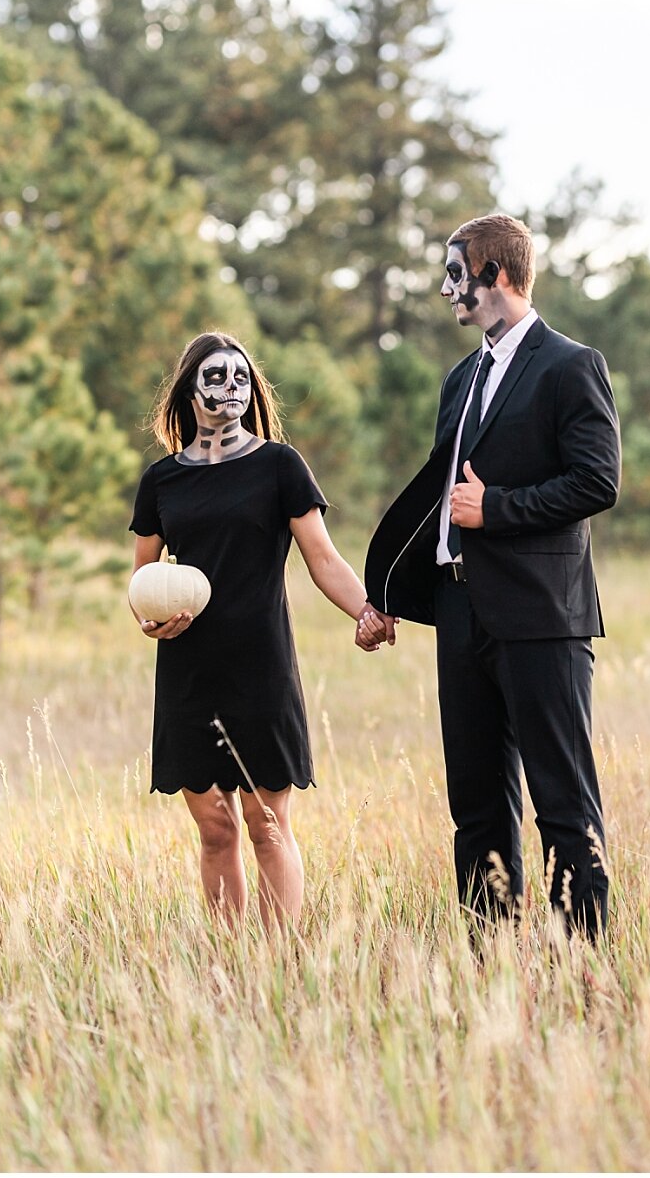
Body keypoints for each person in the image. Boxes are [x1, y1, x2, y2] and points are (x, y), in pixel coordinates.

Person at [358, 215, 621, 938]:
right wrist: (388, 596)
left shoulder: (571, 364)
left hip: (543, 615)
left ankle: (581, 960)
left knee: (562, 801)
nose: (447, 291)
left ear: (497, 276)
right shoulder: (459, 378)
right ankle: (489, 960)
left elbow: (598, 482)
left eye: (455, 275)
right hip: (460, 611)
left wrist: (495, 508)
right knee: (475, 803)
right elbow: (438, 492)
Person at [129, 331, 387, 931]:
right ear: (190, 389)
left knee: (266, 823)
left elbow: (322, 557)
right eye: (217, 377)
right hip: (189, 666)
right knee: (215, 826)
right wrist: (148, 621)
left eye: (242, 377)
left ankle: (279, 967)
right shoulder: (162, 480)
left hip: (261, 665)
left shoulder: (279, 466)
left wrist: (366, 611)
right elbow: (142, 576)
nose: (231, 388)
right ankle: (231, 966)